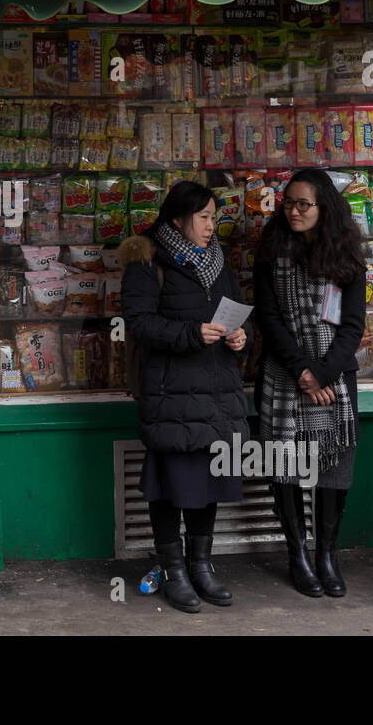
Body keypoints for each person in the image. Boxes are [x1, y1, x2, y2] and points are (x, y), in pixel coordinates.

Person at [119, 181, 251, 613]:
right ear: (178, 219)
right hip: (172, 391)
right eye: (205, 217)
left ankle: (201, 565)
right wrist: (190, 334)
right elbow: (139, 323)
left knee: (208, 481)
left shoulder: (219, 261)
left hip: (216, 389)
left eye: (214, 216)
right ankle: (173, 570)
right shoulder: (147, 260)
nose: (213, 225)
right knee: (169, 484)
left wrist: (240, 338)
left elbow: (236, 307)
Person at [254, 168, 366, 598]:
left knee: (333, 468)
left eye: (304, 204)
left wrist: (322, 373)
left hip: (333, 377)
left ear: (324, 207)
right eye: (289, 203)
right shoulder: (271, 250)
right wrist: (303, 371)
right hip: (284, 375)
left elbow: (352, 325)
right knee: (285, 467)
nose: (295, 211)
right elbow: (269, 318)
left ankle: (327, 556)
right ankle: (297, 554)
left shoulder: (345, 253)